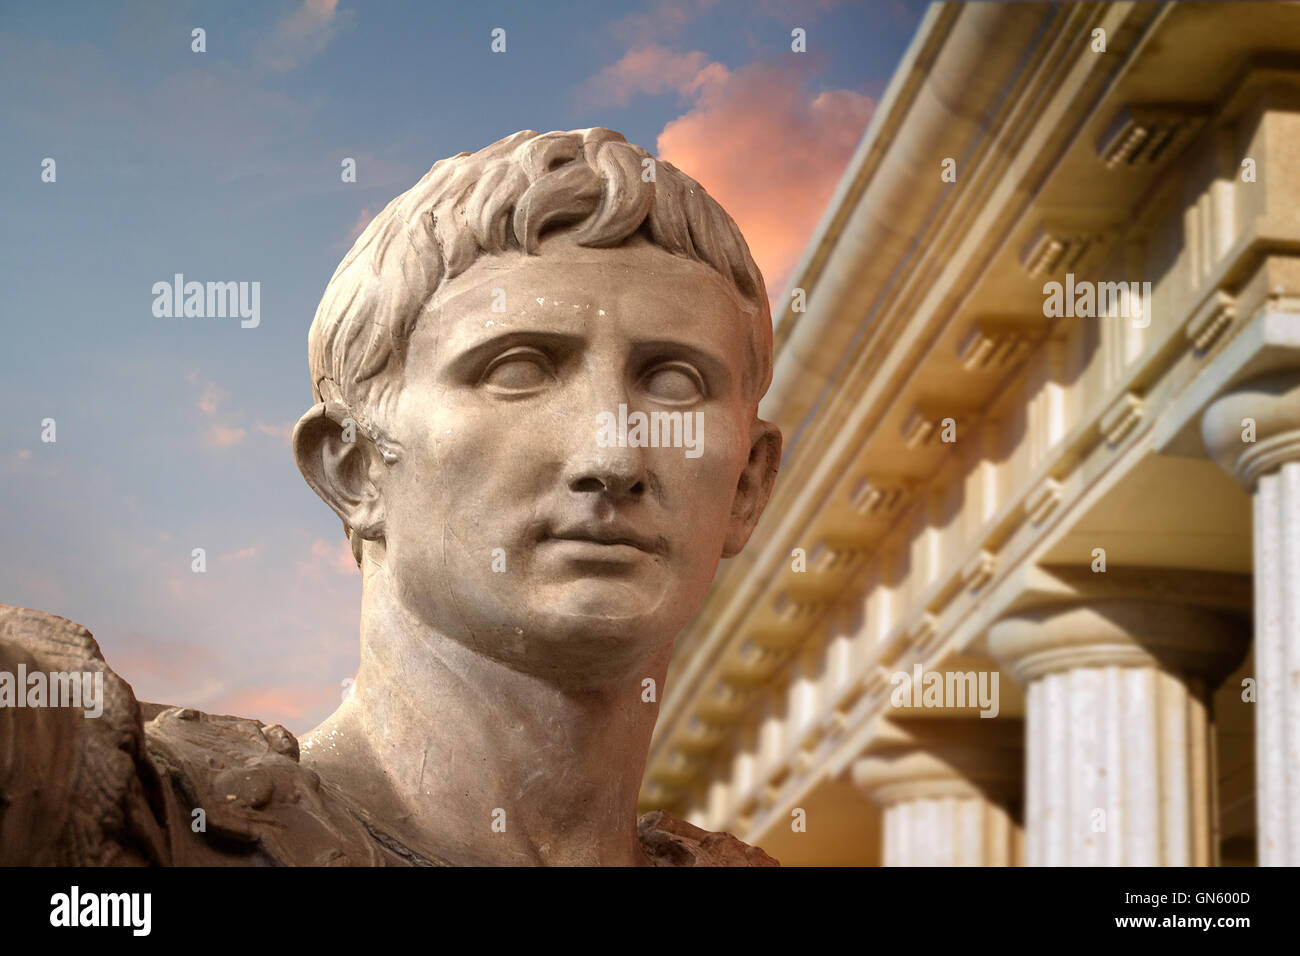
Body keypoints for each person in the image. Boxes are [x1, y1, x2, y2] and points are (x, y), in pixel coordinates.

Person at [0, 128, 782, 866]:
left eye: (675, 383)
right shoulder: (104, 799)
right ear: (354, 467)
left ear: (747, 484)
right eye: (518, 370)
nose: (611, 456)